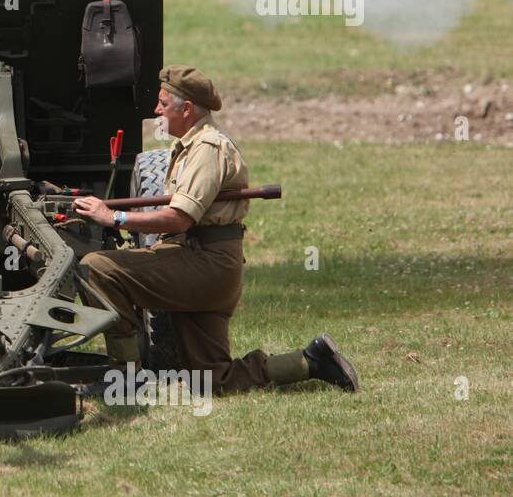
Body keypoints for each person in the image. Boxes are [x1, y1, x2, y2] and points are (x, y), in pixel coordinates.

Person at [73, 65, 360, 395]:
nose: (155, 110)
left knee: (97, 267)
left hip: (203, 265)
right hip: (207, 266)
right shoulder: (191, 147)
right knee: (213, 379)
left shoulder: (208, 148)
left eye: (162, 104)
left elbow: (179, 219)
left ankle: (125, 377)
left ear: (186, 109)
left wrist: (114, 218)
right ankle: (313, 360)